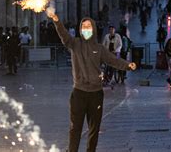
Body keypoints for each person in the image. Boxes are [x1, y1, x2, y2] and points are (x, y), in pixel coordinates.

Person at [47, 12, 136, 152]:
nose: (86, 29)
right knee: (75, 128)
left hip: (96, 94)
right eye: (84, 27)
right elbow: (63, 36)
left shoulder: (99, 48)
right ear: (80, 29)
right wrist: (57, 21)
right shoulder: (75, 44)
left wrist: (127, 65)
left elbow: (113, 60)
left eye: (89, 26)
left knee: (94, 129)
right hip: (79, 93)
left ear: (93, 29)